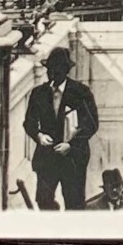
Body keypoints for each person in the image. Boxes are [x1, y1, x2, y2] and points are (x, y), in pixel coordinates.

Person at [23, 46, 100, 210]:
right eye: (50, 70)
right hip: (47, 158)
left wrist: (70, 145)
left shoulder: (81, 93)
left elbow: (91, 124)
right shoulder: (38, 93)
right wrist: (38, 136)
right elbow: (29, 122)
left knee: (74, 203)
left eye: (56, 71)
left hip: (72, 159)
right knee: (43, 199)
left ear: (65, 71)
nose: (52, 75)